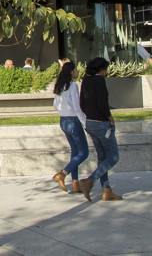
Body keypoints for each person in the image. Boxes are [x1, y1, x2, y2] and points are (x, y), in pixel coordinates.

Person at [78, 57, 121, 202]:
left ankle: (106, 190)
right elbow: (102, 102)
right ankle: (90, 180)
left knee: (102, 157)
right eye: (106, 68)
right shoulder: (100, 81)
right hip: (101, 123)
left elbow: (82, 103)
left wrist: (90, 114)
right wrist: (109, 116)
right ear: (102, 69)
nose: (106, 71)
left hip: (90, 122)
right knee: (113, 157)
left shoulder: (86, 80)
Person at [51, 61, 89, 194]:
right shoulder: (72, 86)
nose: (77, 71)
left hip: (63, 121)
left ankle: (75, 183)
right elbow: (77, 108)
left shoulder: (60, 86)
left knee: (75, 151)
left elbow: (55, 105)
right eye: (76, 69)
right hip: (73, 121)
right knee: (84, 153)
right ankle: (63, 173)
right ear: (71, 72)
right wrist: (85, 123)